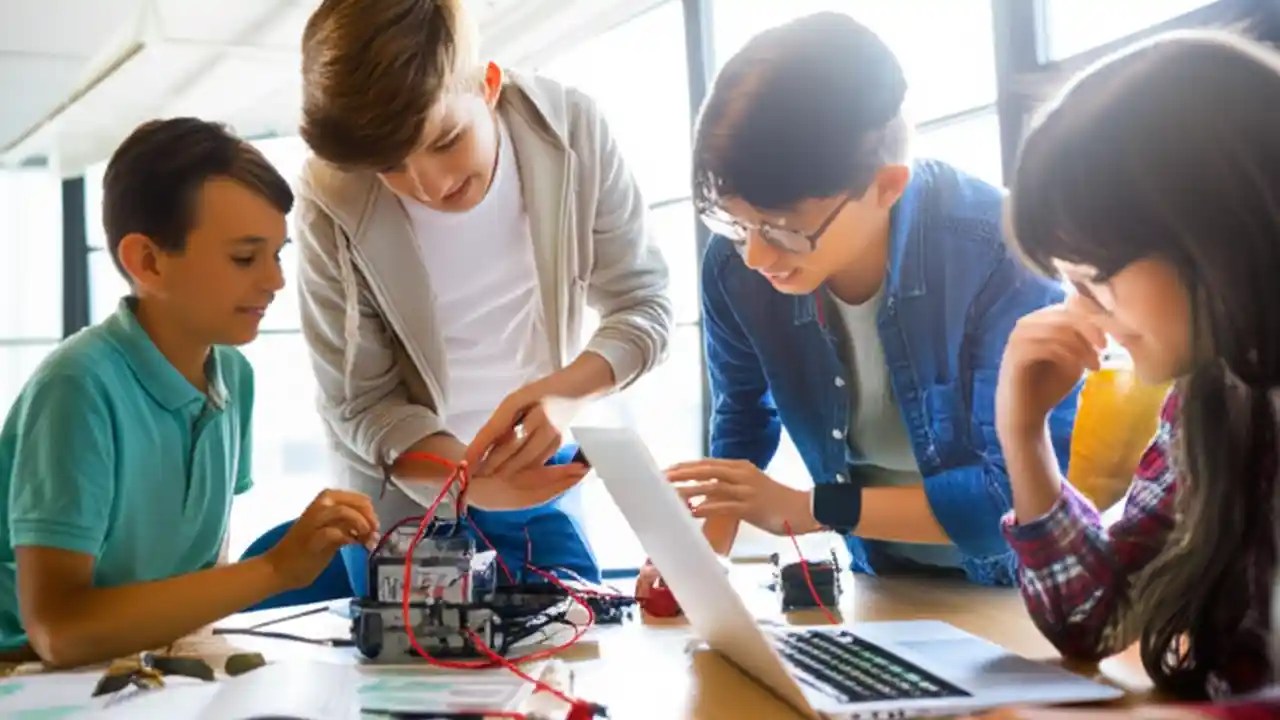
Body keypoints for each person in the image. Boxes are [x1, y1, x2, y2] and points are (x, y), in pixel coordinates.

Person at [644, 12, 1075, 597]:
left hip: (1015, 592)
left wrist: (811, 507)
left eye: (783, 228)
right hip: (881, 580)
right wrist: (695, 561)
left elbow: (1012, 505)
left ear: (887, 186)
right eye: (734, 222)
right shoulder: (734, 267)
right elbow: (743, 420)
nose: (754, 255)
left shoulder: (1001, 252)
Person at [294, 0, 672, 583]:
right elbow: (361, 402)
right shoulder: (329, 198)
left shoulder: (572, 131)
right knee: (414, 662)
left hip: (536, 470)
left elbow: (644, 305)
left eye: (446, 140)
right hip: (402, 488)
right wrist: (468, 483)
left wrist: (565, 395)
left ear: (488, 84)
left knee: (574, 638)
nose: (429, 185)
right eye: (392, 167)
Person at [0, 118, 378, 668]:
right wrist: (276, 568)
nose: (274, 281)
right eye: (245, 258)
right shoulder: (77, 387)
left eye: (277, 254)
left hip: (136, 667)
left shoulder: (233, 375)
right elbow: (59, 629)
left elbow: (195, 582)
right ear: (148, 262)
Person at [996, 29, 1279, 701]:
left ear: (1208, 235)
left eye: (1092, 277)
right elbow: (1099, 618)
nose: (1079, 311)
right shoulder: (1212, 397)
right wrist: (1025, 435)